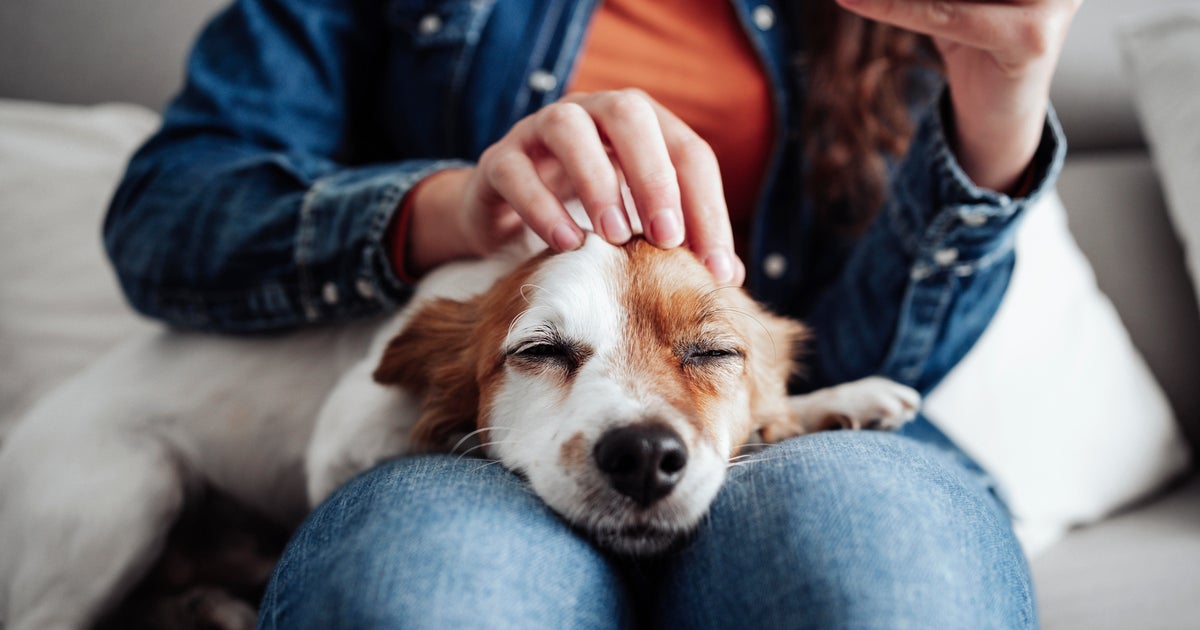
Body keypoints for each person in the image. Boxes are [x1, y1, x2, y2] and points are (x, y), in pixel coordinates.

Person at [105, 0, 1077, 626]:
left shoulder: (889, 15)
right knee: (426, 600)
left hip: (772, 440)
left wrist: (1001, 109)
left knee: (884, 581)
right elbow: (162, 216)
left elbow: (857, 360)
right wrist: (451, 207)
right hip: (477, 461)